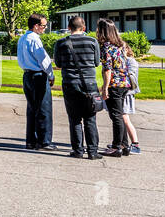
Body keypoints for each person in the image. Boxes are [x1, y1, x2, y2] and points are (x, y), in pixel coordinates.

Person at [53, 15, 102, 159]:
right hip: (89, 84)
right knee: (90, 118)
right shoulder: (93, 42)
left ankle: (78, 150)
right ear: (84, 27)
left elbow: (58, 64)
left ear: (68, 28)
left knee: (74, 119)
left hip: (70, 83)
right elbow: (97, 62)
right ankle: (93, 151)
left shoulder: (61, 43)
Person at [16, 12, 55, 150]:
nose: (45, 28)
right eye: (43, 26)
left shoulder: (22, 38)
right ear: (36, 26)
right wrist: (51, 75)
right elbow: (43, 60)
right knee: (44, 109)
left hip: (27, 75)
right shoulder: (35, 39)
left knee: (32, 108)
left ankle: (31, 140)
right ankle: (44, 141)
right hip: (38, 75)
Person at [97, 18, 130, 156]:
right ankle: (124, 144)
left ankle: (117, 147)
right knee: (120, 114)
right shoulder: (121, 45)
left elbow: (107, 69)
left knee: (115, 115)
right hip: (124, 82)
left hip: (114, 84)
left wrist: (105, 88)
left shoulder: (106, 47)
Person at [121, 44, 141, 153]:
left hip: (126, 94)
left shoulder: (131, 61)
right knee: (121, 119)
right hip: (122, 94)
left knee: (125, 119)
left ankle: (135, 144)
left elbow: (131, 77)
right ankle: (122, 143)